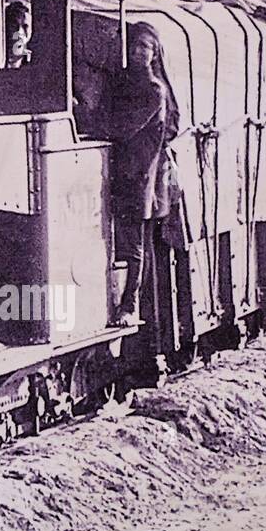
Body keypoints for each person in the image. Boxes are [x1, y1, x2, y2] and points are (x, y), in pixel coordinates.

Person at [99, 22, 180, 326]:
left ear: (154, 53)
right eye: (135, 46)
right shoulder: (121, 83)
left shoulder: (153, 91)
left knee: (134, 244)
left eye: (145, 48)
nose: (138, 53)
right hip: (120, 171)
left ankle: (129, 305)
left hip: (139, 176)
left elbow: (120, 126)